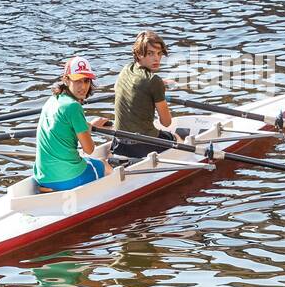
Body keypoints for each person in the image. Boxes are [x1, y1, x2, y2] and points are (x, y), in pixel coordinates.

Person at [33, 56, 113, 192]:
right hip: (66, 177)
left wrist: (90, 125)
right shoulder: (74, 107)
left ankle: (51, 188)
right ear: (66, 79)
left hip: (43, 177)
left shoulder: (52, 100)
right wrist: (87, 131)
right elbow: (89, 149)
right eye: (77, 81)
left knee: (84, 159)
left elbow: (64, 124)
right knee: (105, 165)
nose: (83, 87)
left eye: (86, 81)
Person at [111, 30, 182, 159]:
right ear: (138, 54)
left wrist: (158, 85)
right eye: (150, 53)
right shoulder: (153, 81)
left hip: (119, 144)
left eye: (159, 53)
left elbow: (119, 88)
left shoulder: (126, 69)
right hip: (143, 145)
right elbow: (166, 122)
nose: (156, 58)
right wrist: (158, 89)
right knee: (177, 138)